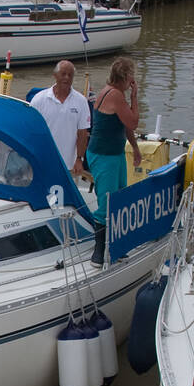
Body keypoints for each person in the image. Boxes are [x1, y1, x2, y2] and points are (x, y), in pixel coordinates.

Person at [85, 56, 144, 267]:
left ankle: (115, 246)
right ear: (127, 77)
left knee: (119, 198)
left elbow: (126, 126)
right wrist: (135, 97)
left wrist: (135, 148)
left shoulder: (116, 95)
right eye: (132, 78)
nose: (133, 82)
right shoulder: (115, 95)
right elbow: (134, 122)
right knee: (107, 202)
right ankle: (98, 251)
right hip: (103, 155)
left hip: (115, 153)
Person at [31, 60, 91, 176]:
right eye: (63, 74)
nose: (67, 78)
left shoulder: (81, 101)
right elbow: (32, 131)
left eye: (70, 75)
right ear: (55, 75)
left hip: (70, 166)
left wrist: (79, 159)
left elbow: (83, 133)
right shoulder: (39, 100)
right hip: (43, 163)